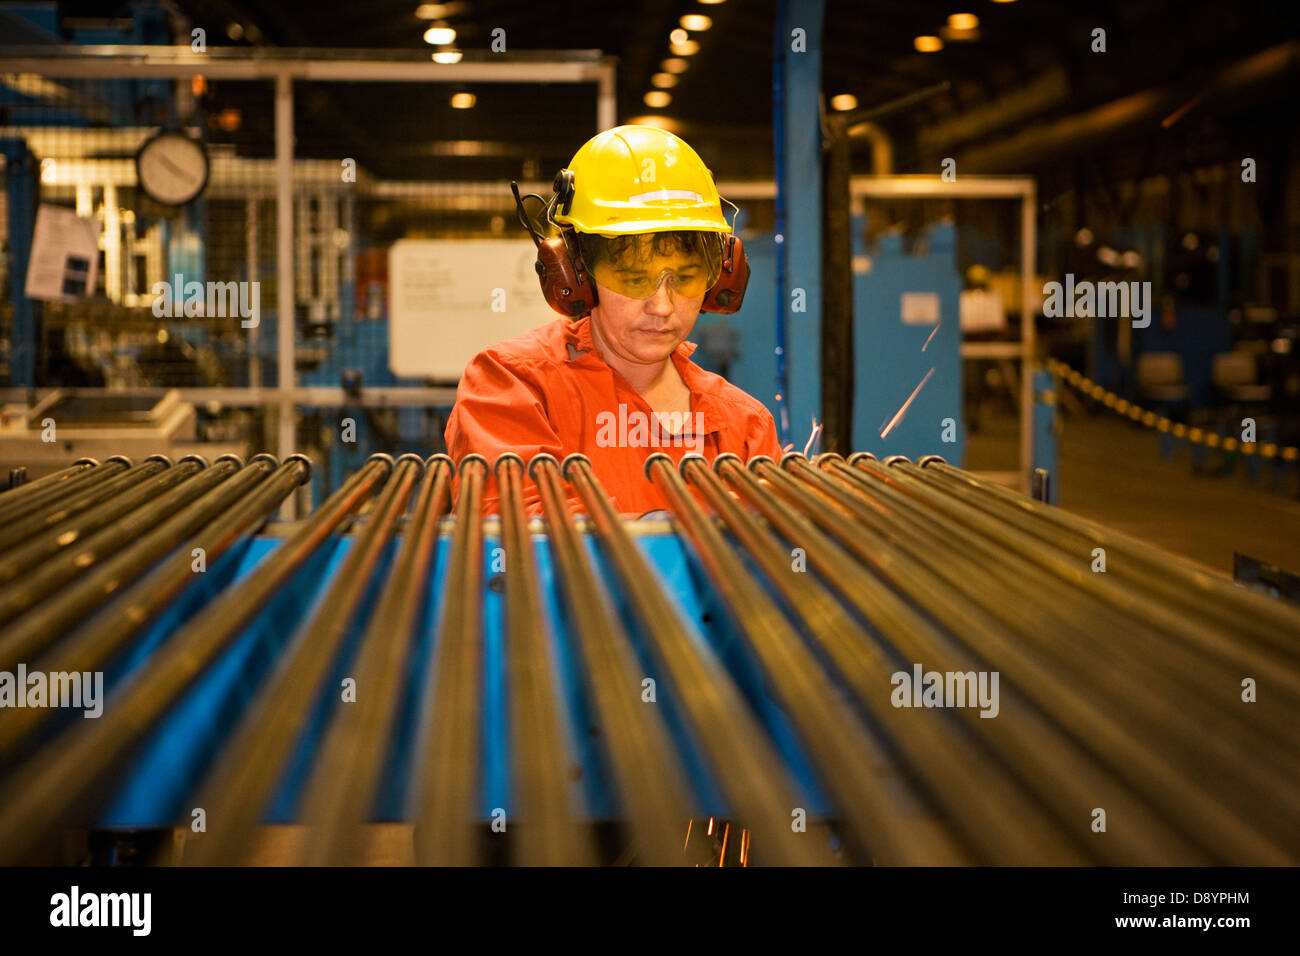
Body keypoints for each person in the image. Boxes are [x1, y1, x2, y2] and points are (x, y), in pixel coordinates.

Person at [445, 125, 781, 516]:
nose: (663, 307)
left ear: (723, 277)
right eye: (635, 278)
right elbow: (519, 533)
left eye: (685, 278)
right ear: (576, 273)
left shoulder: (744, 423)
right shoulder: (512, 384)